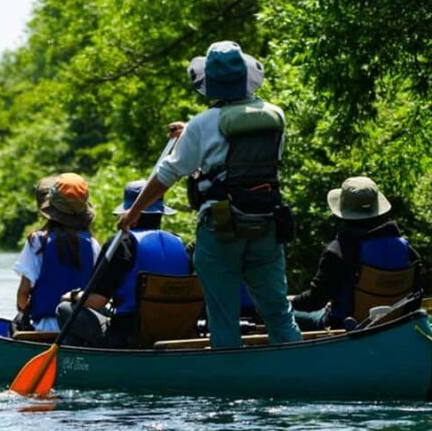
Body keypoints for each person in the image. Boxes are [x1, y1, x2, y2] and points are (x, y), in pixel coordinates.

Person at [117, 40, 302, 349]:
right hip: (268, 221)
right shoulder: (275, 115)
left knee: (223, 315)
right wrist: (190, 131)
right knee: (278, 311)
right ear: (246, 76)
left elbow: (168, 174)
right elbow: (233, 133)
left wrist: (133, 212)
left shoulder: (202, 125)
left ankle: (229, 384)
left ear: (210, 82)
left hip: (221, 227)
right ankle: (299, 366)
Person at [56, 180, 190, 347]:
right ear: (160, 213)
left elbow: (97, 301)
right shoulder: (179, 243)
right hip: (177, 331)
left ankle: (80, 363)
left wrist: (73, 296)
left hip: (129, 335)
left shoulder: (121, 244)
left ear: (132, 214)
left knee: (65, 309)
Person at [291, 176, 421, 330]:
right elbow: (415, 297)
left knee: (286, 314)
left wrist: (290, 303)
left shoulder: (337, 251)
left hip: (344, 325)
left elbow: (315, 301)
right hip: (394, 323)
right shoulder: (408, 251)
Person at [13, 173, 101, 331]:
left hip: (44, 326)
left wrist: (24, 311)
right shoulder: (93, 245)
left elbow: (23, 293)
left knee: (16, 323)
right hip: (79, 329)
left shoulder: (37, 242)